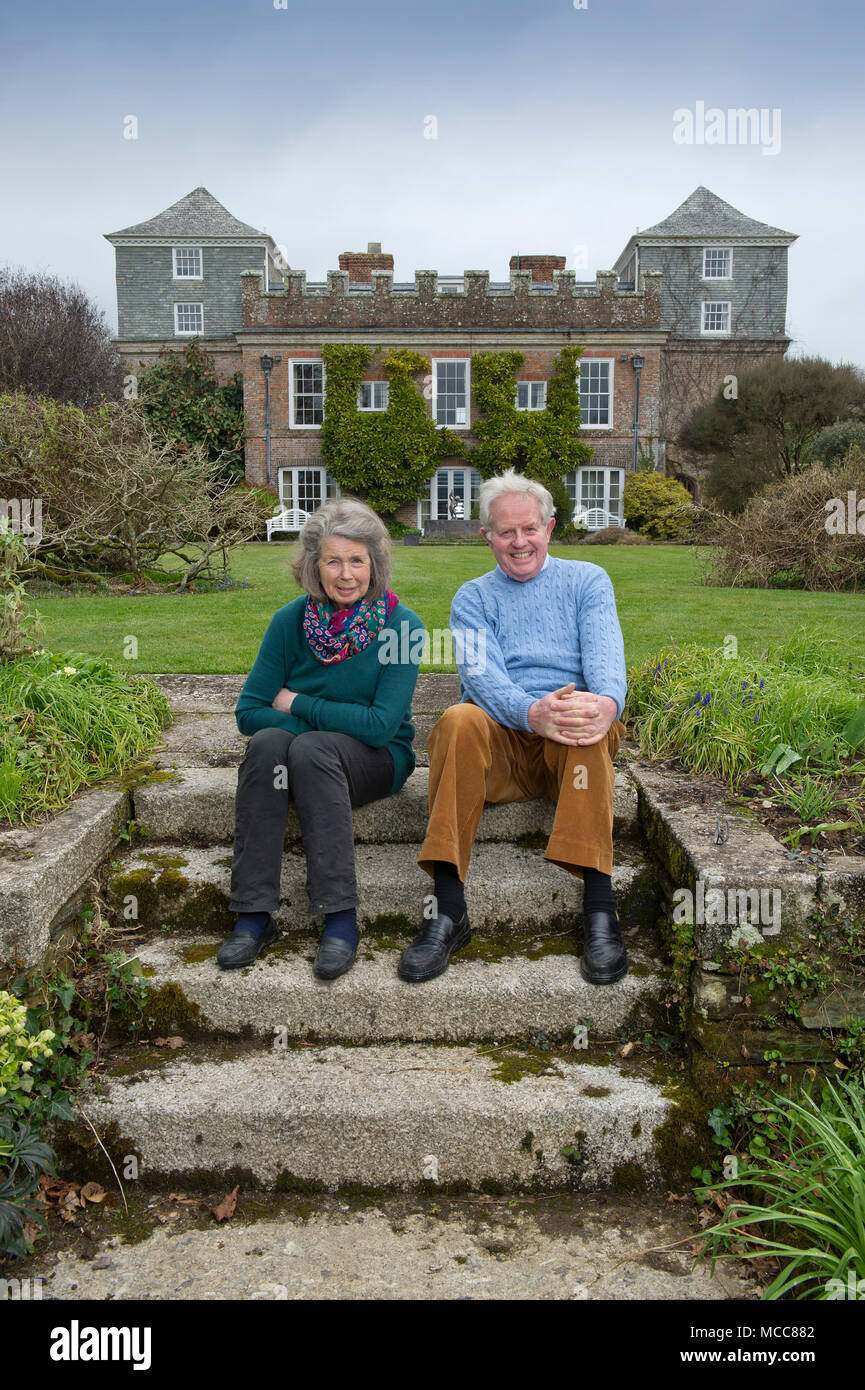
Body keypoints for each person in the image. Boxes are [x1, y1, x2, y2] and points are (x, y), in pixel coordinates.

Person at [399, 469, 628, 987]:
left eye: (529, 529)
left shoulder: (587, 580)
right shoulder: (473, 597)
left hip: (567, 748)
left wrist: (606, 705)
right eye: (506, 532)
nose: (519, 542)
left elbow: (608, 663)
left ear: (549, 527)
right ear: (487, 537)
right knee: (459, 718)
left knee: (589, 717)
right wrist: (530, 712)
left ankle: (599, 906)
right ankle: (448, 910)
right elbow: (481, 679)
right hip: (500, 745)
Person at [219, 498, 424, 979]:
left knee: (303, 744)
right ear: (315, 566)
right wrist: (321, 722)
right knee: (269, 744)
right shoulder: (289, 621)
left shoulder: (404, 627)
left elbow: (379, 726)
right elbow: (249, 713)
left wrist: (296, 704)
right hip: (305, 758)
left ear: (375, 565)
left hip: (378, 758)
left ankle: (340, 919)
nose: (346, 573)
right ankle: (252, 915)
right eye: (333, 560)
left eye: (357, 560)